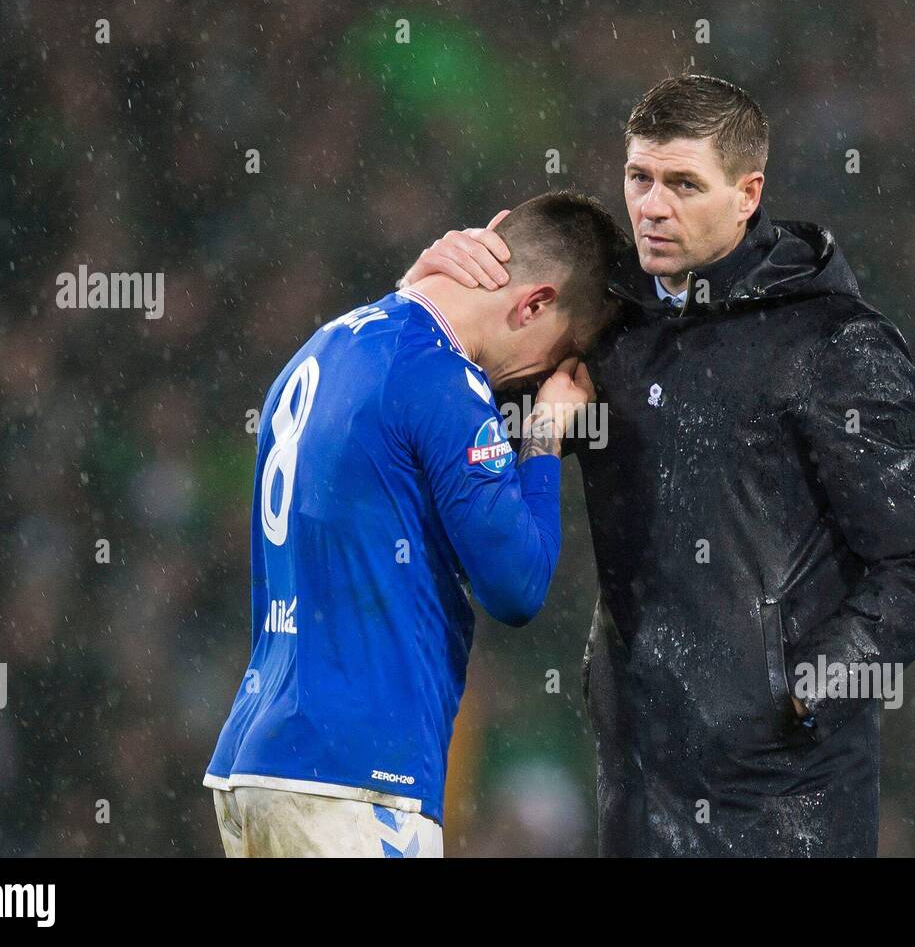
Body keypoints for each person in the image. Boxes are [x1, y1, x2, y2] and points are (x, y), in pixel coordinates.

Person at [400, 74, 915, 856]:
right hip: (637, 778)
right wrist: (426, 290)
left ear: (748, 193)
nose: (652, 207)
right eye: (639, 178)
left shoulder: (831, 345)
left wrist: (800, 696)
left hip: (784, 804)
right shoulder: (605, 323)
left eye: (683, 184)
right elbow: (466, 418)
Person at [205, 190, 629, 857]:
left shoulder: (325, 347)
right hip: (355, 780)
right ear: (535, 304)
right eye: (565, 351)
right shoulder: (441, 382)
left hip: (259, 762)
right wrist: (545, 434)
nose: (552, 374)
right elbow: (516, 584)